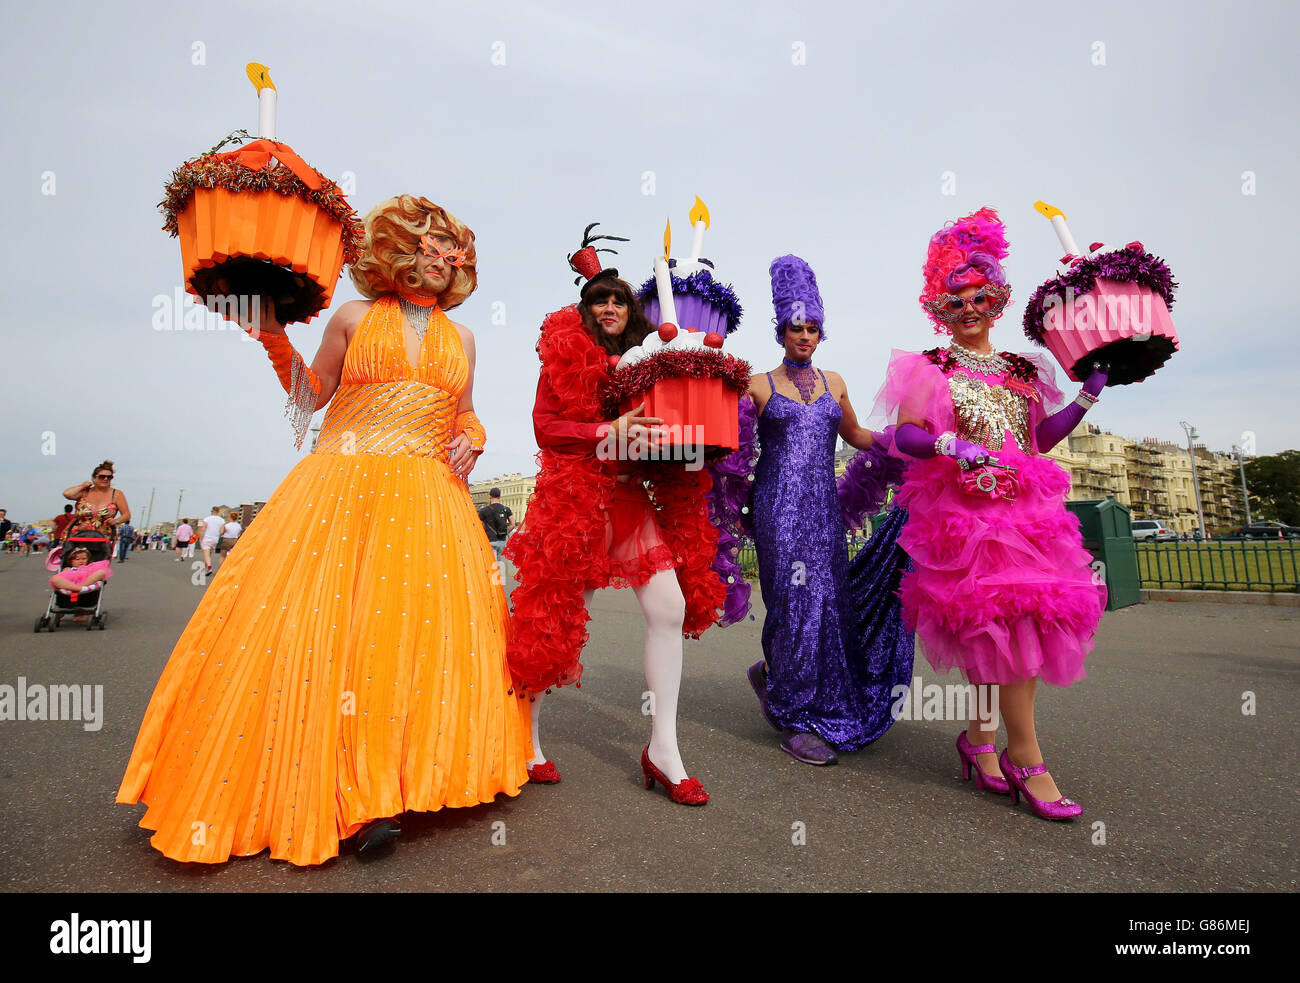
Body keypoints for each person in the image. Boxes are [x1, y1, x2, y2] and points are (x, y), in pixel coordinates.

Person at [117, 194, 532, 864]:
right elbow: (311, 395)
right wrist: (272, 334)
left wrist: (474, 435)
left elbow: (465, 410)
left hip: (431, 500)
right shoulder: (353, 316)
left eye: (450, 251)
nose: (441, 259)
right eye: (427, 246)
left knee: (408, 642)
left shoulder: (464, 338)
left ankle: (392, 782)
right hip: (342, 488)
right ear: (397, 252)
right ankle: (344, 796)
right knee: (327, 633)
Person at [868, 208, 1108, 820]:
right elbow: (908, 433)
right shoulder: (932, 368)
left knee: (1013, 625)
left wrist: (1085, 396)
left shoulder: (1022, 370)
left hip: (1027, 512)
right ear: (940, 309)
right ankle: (1025, 757)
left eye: (979, 297)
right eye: (956, 302)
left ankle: (979, 741)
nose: (969, 309)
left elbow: (1039, 438)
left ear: (997, 299)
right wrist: (951, 445)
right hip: (967, 515)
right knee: (1001, 627)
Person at [504, 228, 728, 806]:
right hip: (575, 504)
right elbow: (547, 430)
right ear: (584, 310)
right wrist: (611, 430)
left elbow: (675, 428)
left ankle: (664, 749)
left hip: (629, 501)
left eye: (618, 300)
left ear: (632, 311)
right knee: (555, 617)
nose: (608, 307)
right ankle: (524, 739)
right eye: (598, 300)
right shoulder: (563, 362)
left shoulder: (649, 363)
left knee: (669, 607)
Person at [745, 256, 913, 765]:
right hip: (776, 508)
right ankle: (795, 717)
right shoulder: (756, 385)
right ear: (781, 331)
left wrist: (909, 443)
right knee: (792, 603)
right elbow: (734, 450)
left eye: (812, 328)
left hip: (823, 508)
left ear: (820, 334)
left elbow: (857, 435)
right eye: (795, 327)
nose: (804, 335)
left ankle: (776, 677)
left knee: (827, 602)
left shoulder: (834, 382)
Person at [62, 461, 130, 560]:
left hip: (101, 538)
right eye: (102, 476)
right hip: (78, 536)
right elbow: (67, 494)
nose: (106, 479)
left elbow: (126, 515)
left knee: (97, 566)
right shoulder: (85, 492)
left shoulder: (116, 494)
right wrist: (83, 486)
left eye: (109, 477)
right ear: (94, 478)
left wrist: (115, 521)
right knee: (75, 565)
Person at [477, 487, 513, 561]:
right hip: (502, 542)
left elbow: (478, 526)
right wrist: (505, 532)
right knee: (500, 563)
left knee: (492, 563)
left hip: (490, 542)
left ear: (490, 496)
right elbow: (513, 525)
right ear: (500, 497)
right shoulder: (506, 509)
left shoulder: (484, 511)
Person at [198, 507, 223, 576]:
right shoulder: (221, 520)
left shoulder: (207, 519)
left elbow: (203, 529)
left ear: (212, 511)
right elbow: (221, 531)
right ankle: (204, 569)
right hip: (215, 539)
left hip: (206, 538)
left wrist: (200, 538)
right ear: (218, 512)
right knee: (209, 555)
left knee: (206, 555)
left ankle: (209, 568)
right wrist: (217, 535)